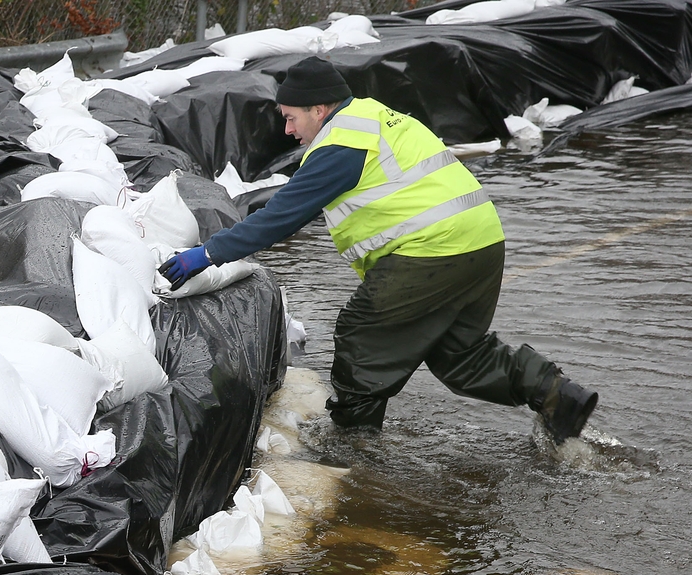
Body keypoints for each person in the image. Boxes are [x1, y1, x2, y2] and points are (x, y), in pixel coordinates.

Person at [159, 56, 598, 444]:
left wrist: (207, 254)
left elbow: (278, 217)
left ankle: (353, 442)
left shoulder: (340, 145)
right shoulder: (375, 116)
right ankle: (560, 397)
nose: (288, 129)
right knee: (460, 356)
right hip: (481, 241)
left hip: (432, 250)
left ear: (319, 109)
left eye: (292, 117)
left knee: (361, 331)